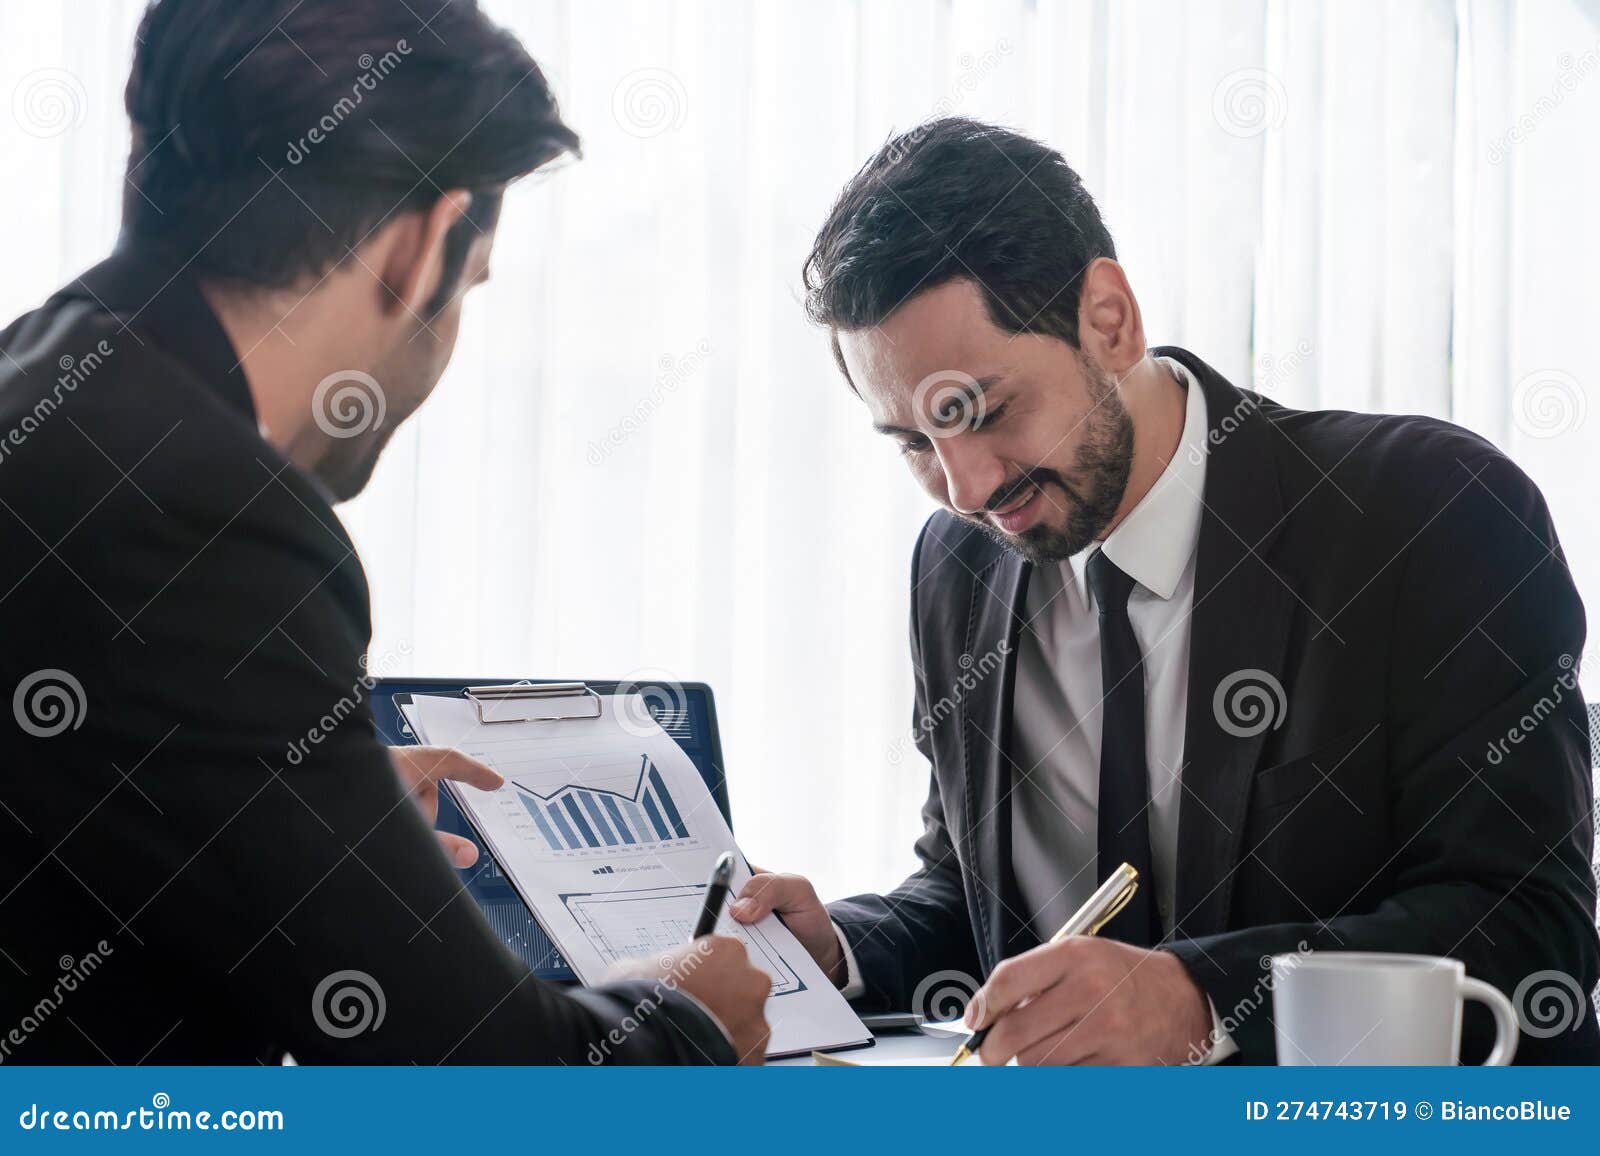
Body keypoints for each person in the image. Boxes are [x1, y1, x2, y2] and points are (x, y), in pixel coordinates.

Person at [732, 117, 1600, 1065]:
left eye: (981, 411)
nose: (967, 487)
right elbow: (980, 903)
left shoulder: (1428, 511)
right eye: (912, 443)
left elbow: (1528, 932)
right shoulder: (959, 565)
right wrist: (841, 948)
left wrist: (1202, 1000)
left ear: (1108, 320)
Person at [0, 0, 769, 1065]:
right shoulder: (201, 510)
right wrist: (685, 1017)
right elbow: (467, 1077)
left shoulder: (44, 387)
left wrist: (304, 812)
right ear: (422, 244)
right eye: (473, 286)